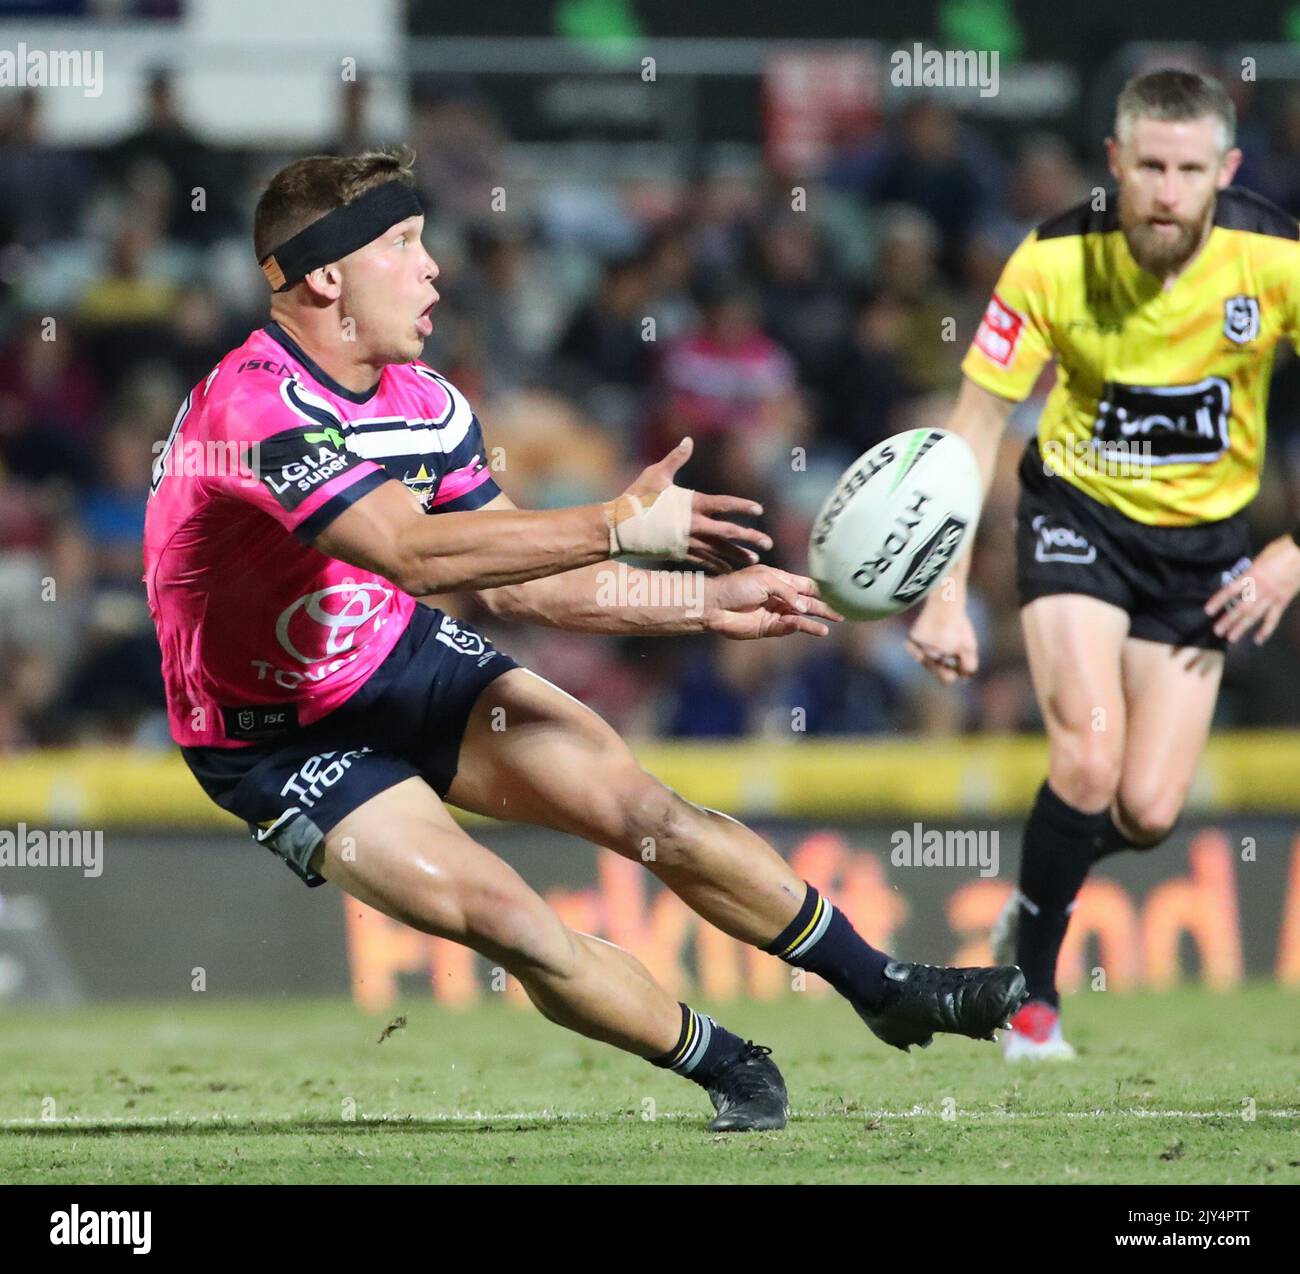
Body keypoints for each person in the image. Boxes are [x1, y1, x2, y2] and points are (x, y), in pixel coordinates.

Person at [144, 146, 1027, 1131]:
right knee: (512, 920)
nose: (433, 267)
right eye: (404, 243)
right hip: (276, 734)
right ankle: (728, 1061)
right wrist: (613, 517)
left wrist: (703, 605)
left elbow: (525, 579)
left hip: (395, 656)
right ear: (324, 274)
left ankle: (882, 982)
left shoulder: (426, 403)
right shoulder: (252, 403)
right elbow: (412, 551)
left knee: (653, 811)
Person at [907, 69, 1300, 1060]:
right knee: (1086, 749)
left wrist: (1291, 552)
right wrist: (945, 594)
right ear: (1115, 161)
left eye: (1189, 169)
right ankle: (1030, 997)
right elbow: (974, 422)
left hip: (1203, 552)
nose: (1167, 190)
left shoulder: (1276, 257)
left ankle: (1030, 906)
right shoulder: (1048, 259)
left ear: (1227, 169)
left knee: (1147, 807)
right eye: (1149, 167)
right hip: (1075, 517)